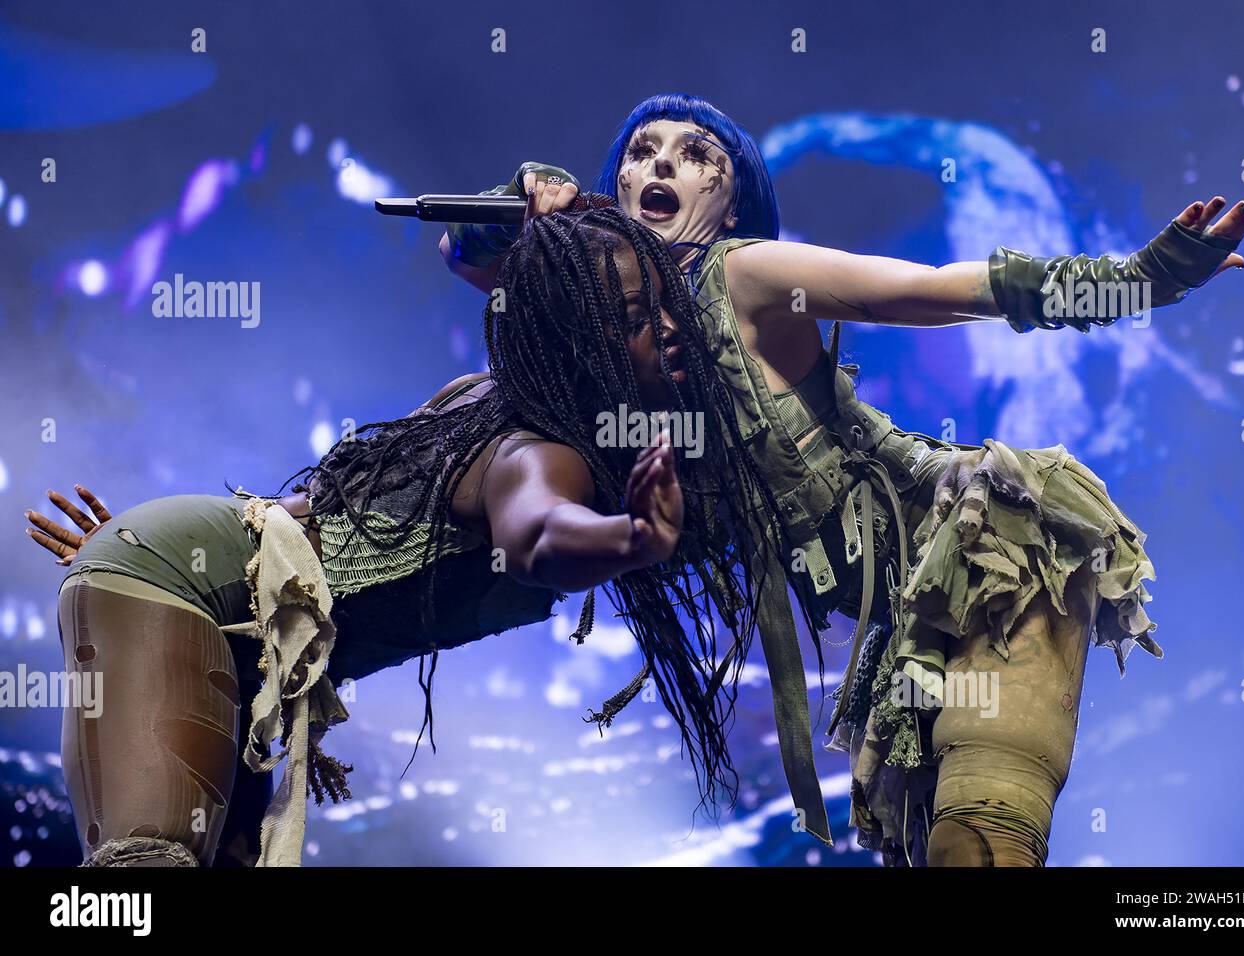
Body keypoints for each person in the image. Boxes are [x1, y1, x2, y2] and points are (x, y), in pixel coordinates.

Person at [439, 92, 1244, 864]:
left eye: (694, 155)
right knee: (932, 844)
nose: (660, 165)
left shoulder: (745, 273)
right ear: (615, 188)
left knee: (982, 842)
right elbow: (464, 256)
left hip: (976, 543)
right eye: (642, 152)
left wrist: (1145, 279)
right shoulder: (600, 303)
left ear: (731, 204)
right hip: (886, 611)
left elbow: (934, 292)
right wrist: (521, 196)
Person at [26, 205, 800, 866]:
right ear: (576, 346)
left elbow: (320, 511)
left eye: (668, 306)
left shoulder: (484, 401)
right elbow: (537, 538)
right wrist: (631, 540)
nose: (669, 329)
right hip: (186, 588)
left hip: (210, 606)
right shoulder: (535, 452)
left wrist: (138, 568)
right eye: (635, 319)